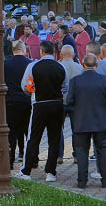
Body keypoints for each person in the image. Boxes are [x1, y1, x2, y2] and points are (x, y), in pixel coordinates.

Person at [66, 52, 106, 188]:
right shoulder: (105, 80)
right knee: (103, 150)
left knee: (82, 151)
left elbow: (69, 101)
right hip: (102, 121)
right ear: (96, 65)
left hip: (81, 121)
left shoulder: (75, 81)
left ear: (83, 65)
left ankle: (82, 181)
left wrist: (76, 114)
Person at [19, 40, 67, 182]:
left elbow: (26, 86)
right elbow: (65, 87)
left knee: (33, 137)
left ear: (41, 51)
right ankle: (50, 172)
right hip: (57, 104)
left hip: (40, 104)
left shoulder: (33, 66)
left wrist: (33, 92)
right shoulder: (60, 67)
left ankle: (26, 170)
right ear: (53, 52)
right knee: (54, 138)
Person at [5, 40, 31, 170]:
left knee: (12, 131)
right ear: (24, 49)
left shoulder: (6, 63)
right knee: (28, 131)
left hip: (10, 100)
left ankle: (10, 160)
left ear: (12, 50)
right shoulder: (29, 63)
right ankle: (31, 159)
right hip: (26, 100)